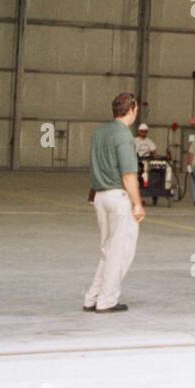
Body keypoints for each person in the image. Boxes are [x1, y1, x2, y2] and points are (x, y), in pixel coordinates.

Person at [84, 92, 146, 313]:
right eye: (136, 108)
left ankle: (92, 297)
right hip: (119, 198)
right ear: (131, 110)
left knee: (107, 250)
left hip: (100, 196)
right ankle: (107, 300)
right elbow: (129, 175)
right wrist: (137, 203)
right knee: (120, 252)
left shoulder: (100, 132)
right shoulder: (124, 136)